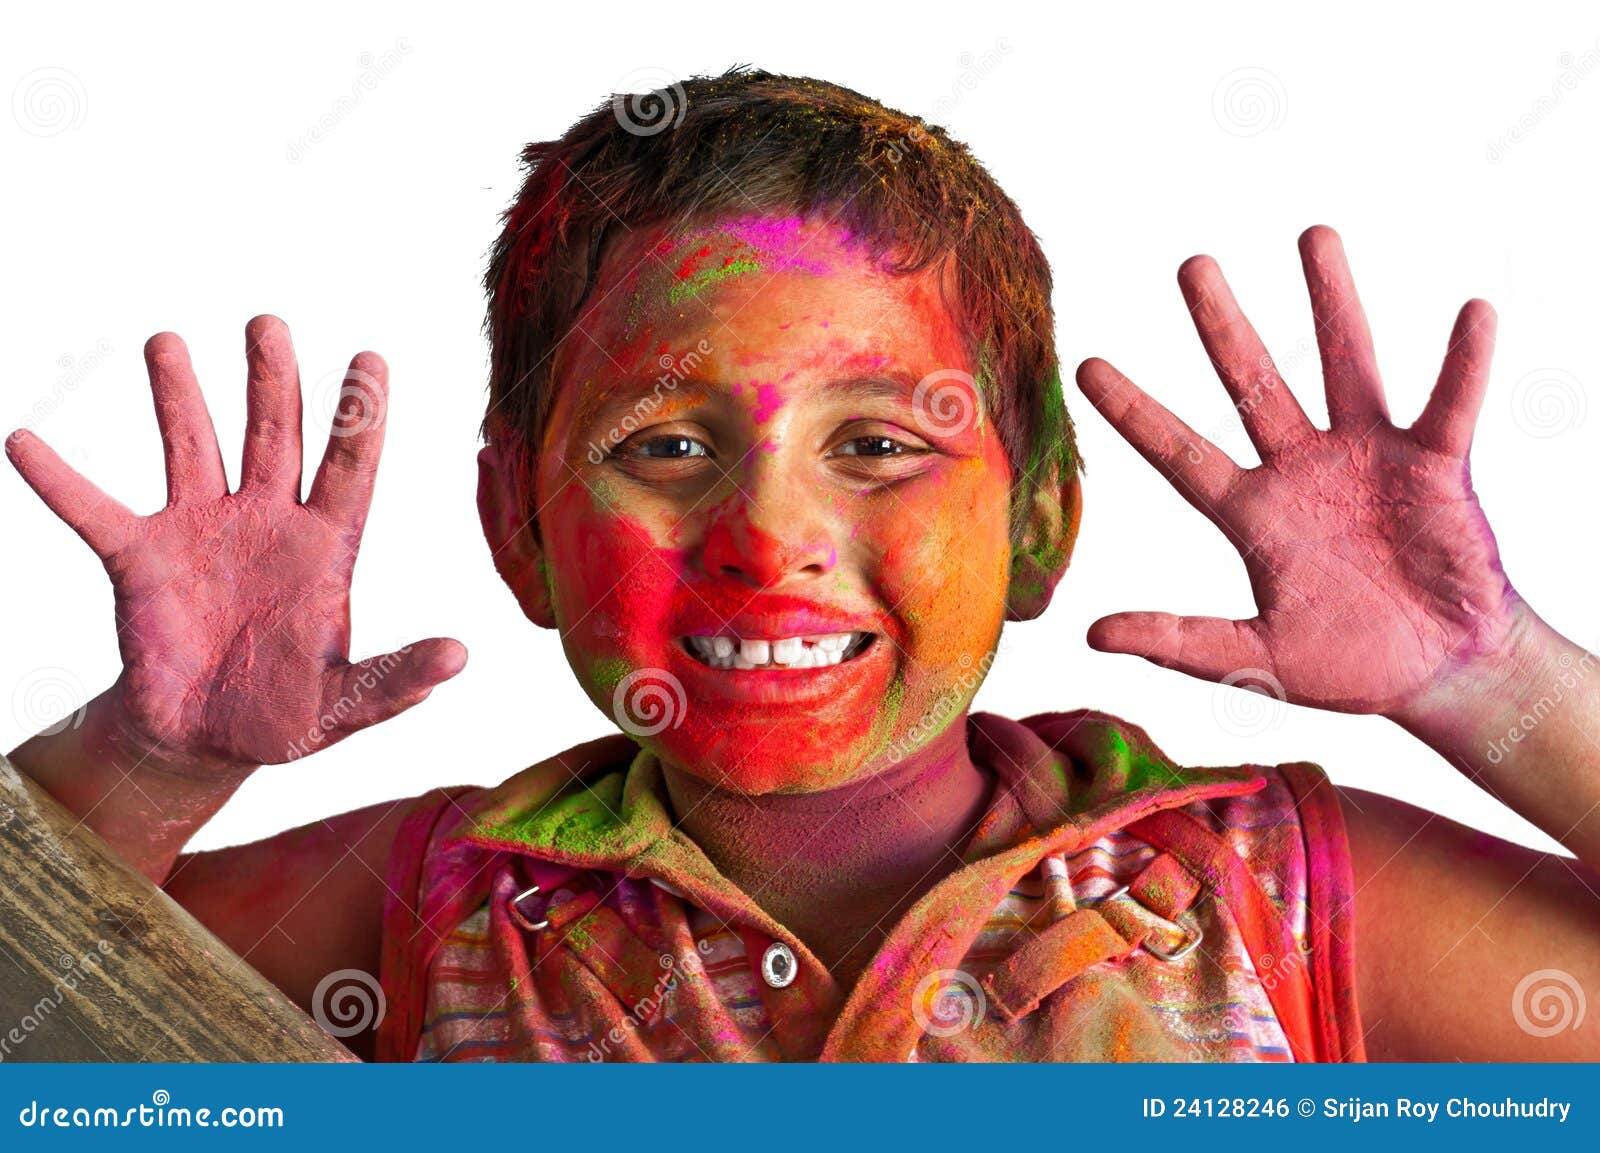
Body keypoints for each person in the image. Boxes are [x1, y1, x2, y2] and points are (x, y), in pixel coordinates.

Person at [7, 69, 1598, 1062]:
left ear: (1040, 516)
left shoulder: (1260, 899)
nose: (768, 540)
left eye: (880, 444)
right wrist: (151, 759)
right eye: (667, 447)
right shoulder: (431, 919)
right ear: (518, 530)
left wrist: (1489, 679)